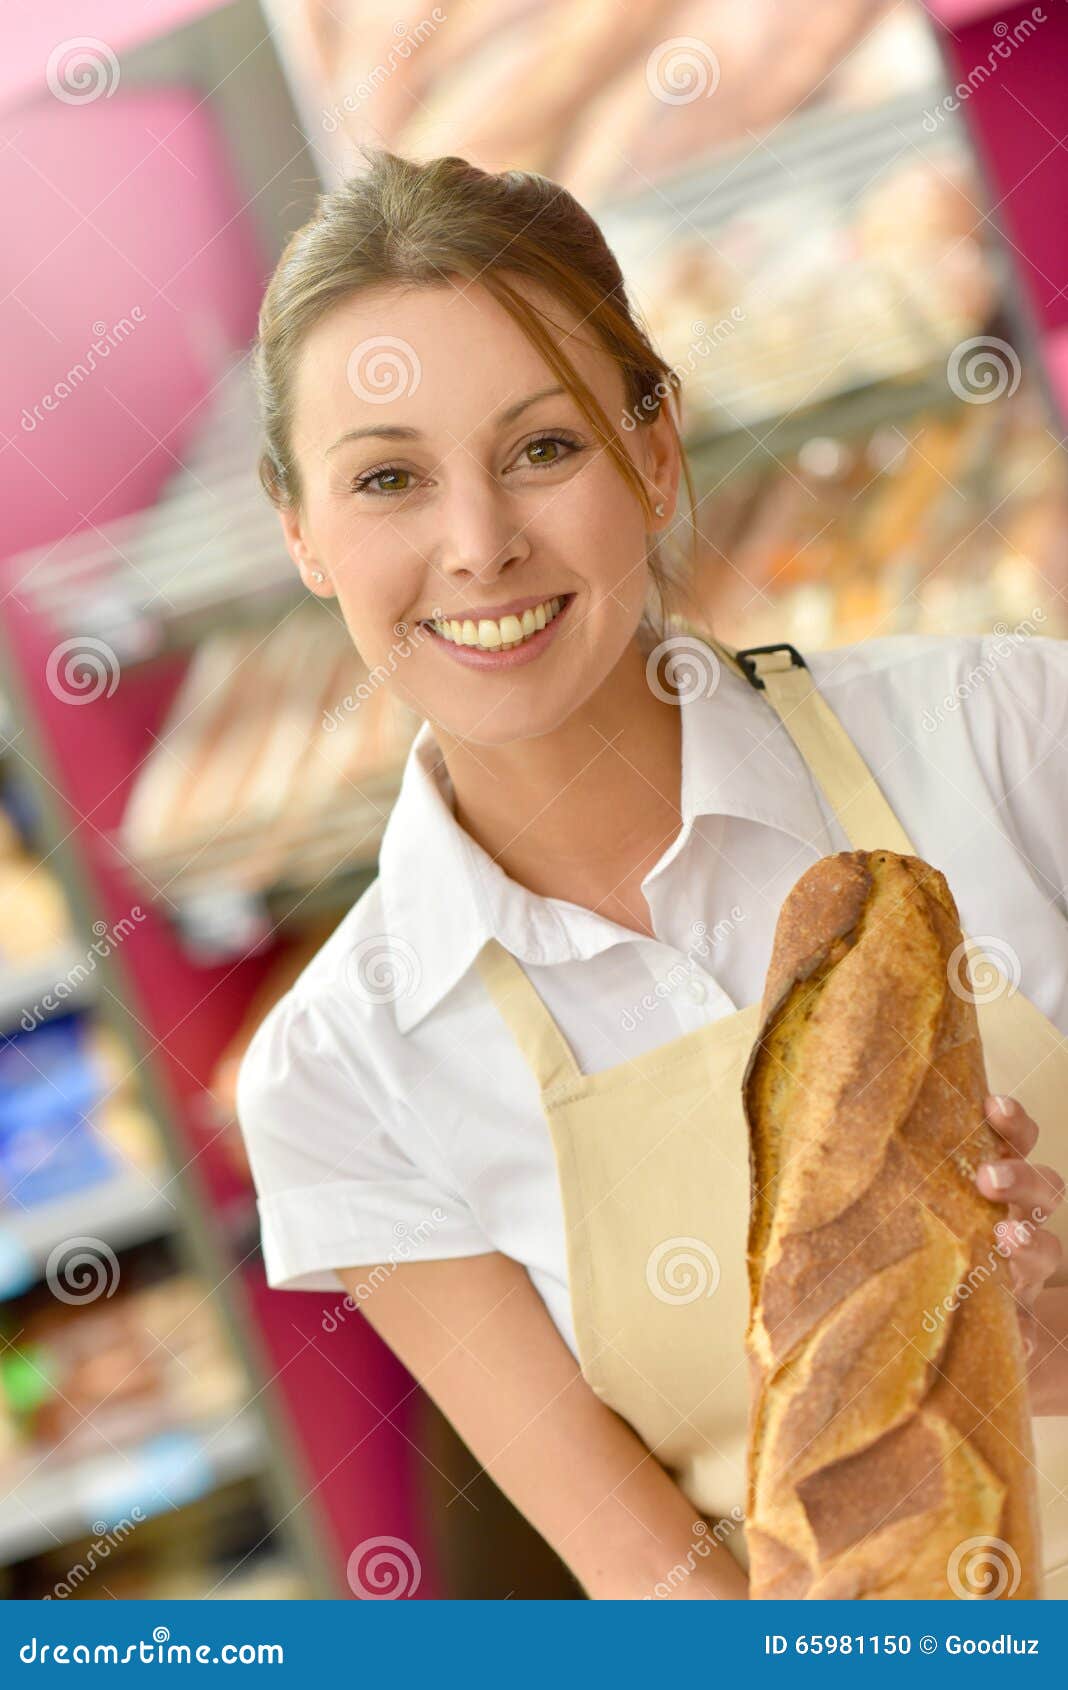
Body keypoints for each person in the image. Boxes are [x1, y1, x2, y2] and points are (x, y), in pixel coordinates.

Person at [236, 146, 1068, 1600]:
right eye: (387, 479)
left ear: (659, 448)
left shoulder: (1006, 732)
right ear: (299, 528)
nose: (480, 545)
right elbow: (667, 1586)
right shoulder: (341, 1075)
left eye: (544, 447)